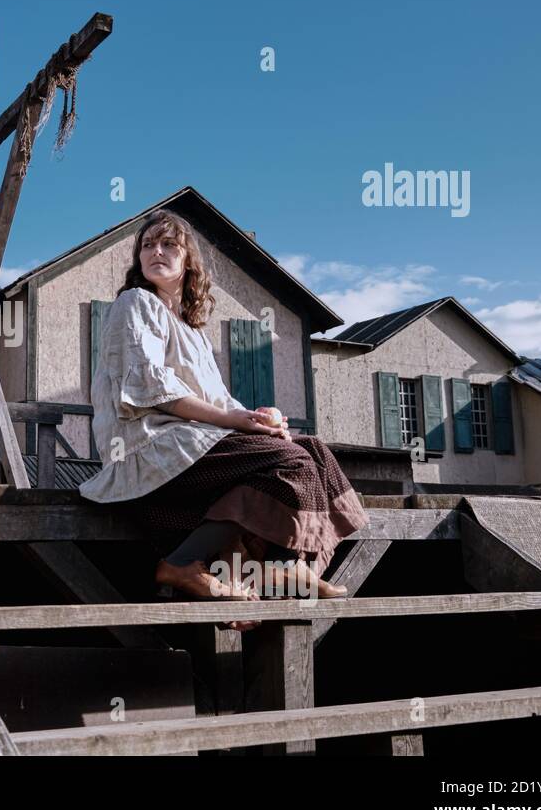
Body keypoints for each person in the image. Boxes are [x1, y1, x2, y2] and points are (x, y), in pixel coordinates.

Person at [78, 209, 369, 631]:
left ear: (188, 260)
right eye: (147, 245)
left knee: (312, 450)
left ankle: (254, 569)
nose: (156, 252)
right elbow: (148, 386)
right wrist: (238, 421)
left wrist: (259, 420)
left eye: (168, 245)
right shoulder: (135, 303)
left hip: (190, 444)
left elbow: (218, 401)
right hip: (149, 445)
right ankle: (259, 565)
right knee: (292, 462)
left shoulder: (192, 330)